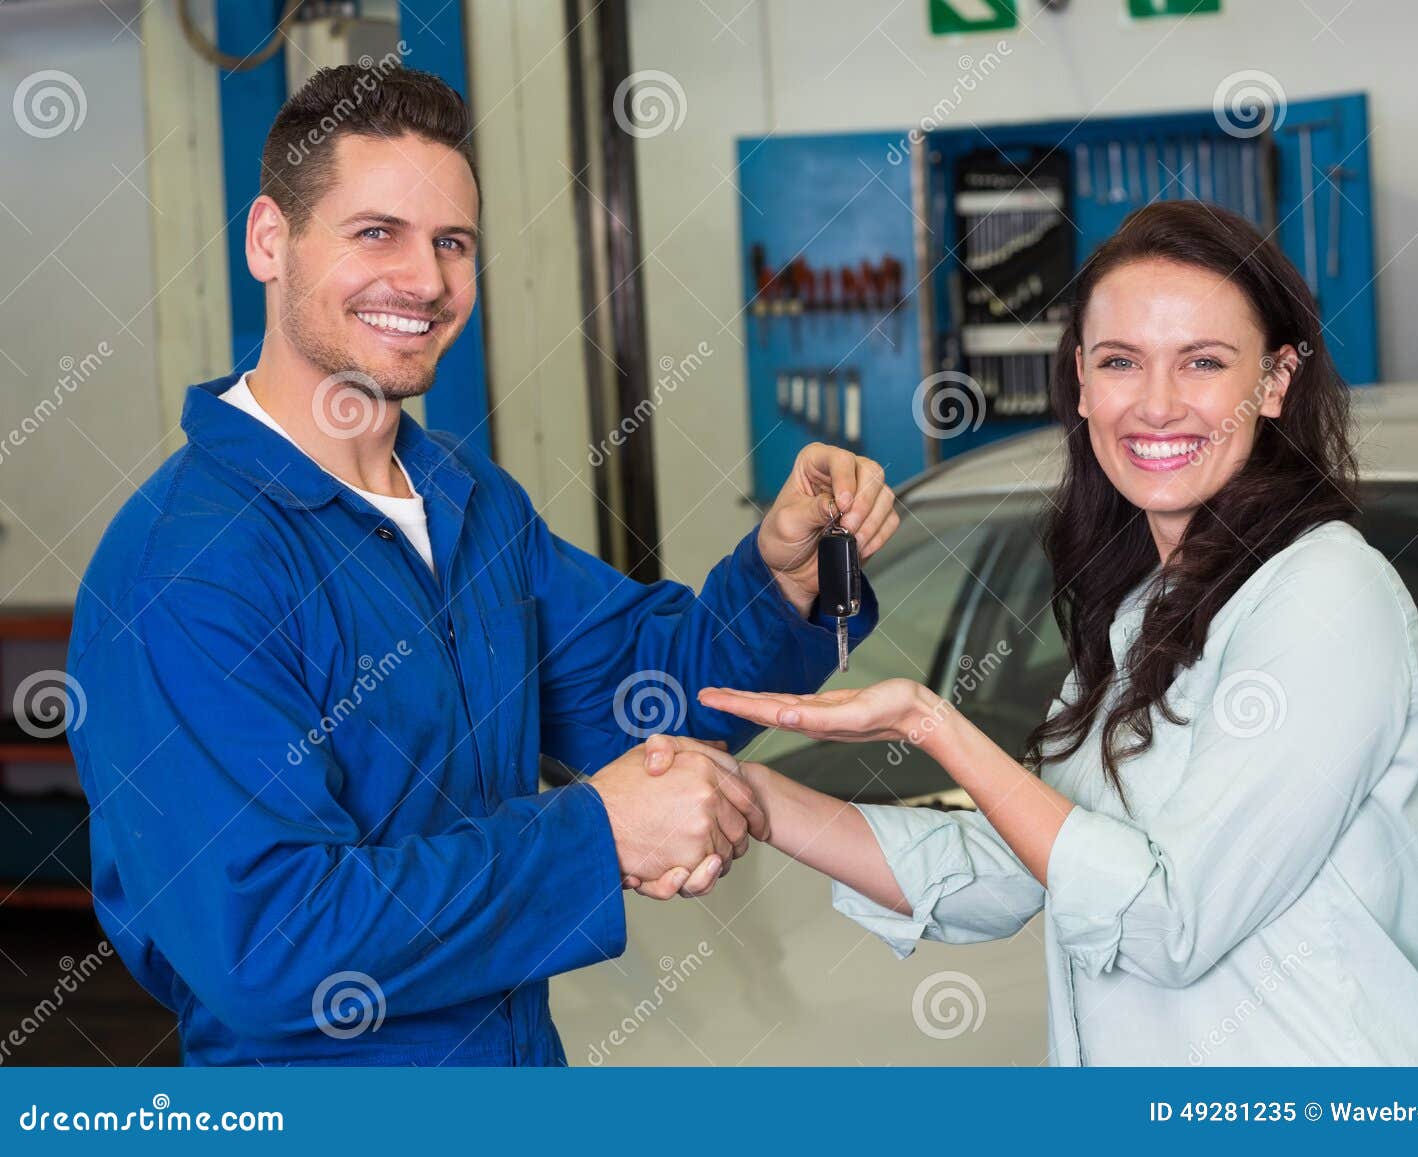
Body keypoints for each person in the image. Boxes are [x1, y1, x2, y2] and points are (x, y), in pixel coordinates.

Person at [65, 66, 899, 1066]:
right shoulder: (186, 568)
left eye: (451, 242)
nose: (425, 281)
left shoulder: (467, 500)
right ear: (269, 241)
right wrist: (596, 836)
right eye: (377, 232)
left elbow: (646, 693)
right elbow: (269, 938)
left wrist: (784, 579)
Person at [693, 201, 1418, 1066]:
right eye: (1120, 361)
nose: (1157, 405)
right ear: (1080, 379)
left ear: (1277, 380)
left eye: (1204, 362)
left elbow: (1170, 923)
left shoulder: (1327, 595)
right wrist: (746, 793)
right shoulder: (1143, 608)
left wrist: (930, 723)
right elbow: (1005, 868)